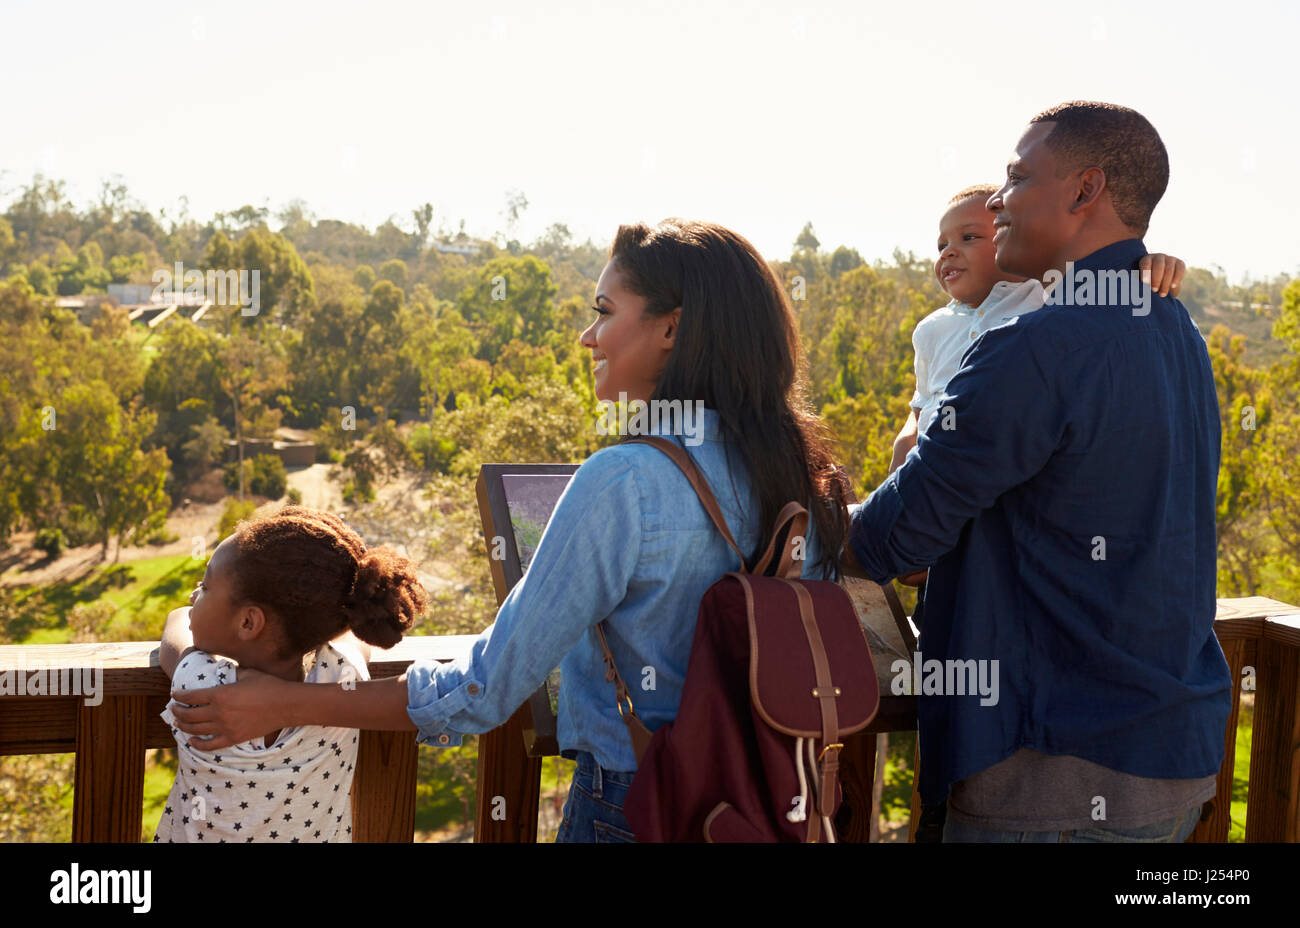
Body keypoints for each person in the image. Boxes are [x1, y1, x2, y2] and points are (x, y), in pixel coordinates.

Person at [170, 219, 853, 843]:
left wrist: (284, 702)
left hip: (636, 806)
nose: (588, 337)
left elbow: (484, 690)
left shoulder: (623, 482)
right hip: (770, 803)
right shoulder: (803, 477)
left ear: (671, 329)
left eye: (604, 313)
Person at [846, 101, 1231, 842]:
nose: (997, 199)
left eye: (1017, 176)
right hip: (1173, 764)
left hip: (1054, 780)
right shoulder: (1176, 330)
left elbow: (895, 535)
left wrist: (797, 537)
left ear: (1085, 190)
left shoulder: (1036, 348)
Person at [894, 183, 1186, 842]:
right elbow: (916, 427)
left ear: (1009, 243)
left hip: (1004, 574)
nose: (950, 252)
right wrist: (910, 453)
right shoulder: (933, 330)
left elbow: (1101, 276)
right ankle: (940, 794)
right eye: (941, 242)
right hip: (944, 552)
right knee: (944, 710)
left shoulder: (1040, 306)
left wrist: (1154, 264)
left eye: (971, 236)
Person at [155, 506, 426, 842]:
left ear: (247, 622)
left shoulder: (204, 686)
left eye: (205, 586)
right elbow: (348, 632)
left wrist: (191, 608)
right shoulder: (343, 677)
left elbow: (177, 625)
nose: (198, 594)